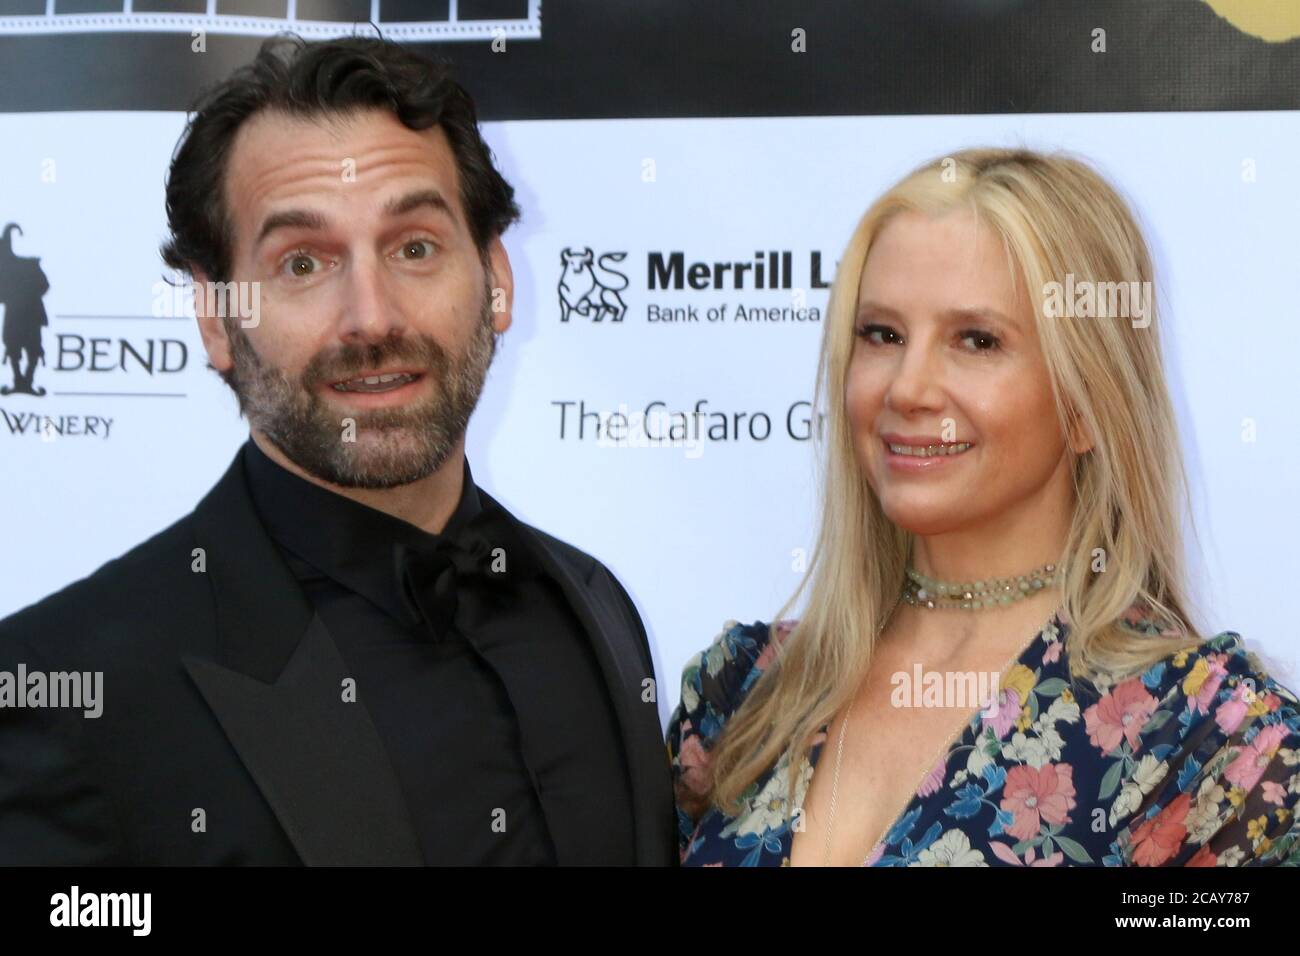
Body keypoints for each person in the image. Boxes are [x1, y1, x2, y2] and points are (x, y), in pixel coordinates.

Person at [0, 34, 674, 866]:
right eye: (303, 263)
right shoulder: (66, 694)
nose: (372, 317)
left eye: (415, 247)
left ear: (497, 279)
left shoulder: (591, 603)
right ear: (217, 319)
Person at [667, 147, 1300, 867]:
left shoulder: (1210, 749)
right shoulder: (739, 695)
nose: (907, 388)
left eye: (976, 340)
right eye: (882, 335)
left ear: (1088, 404)